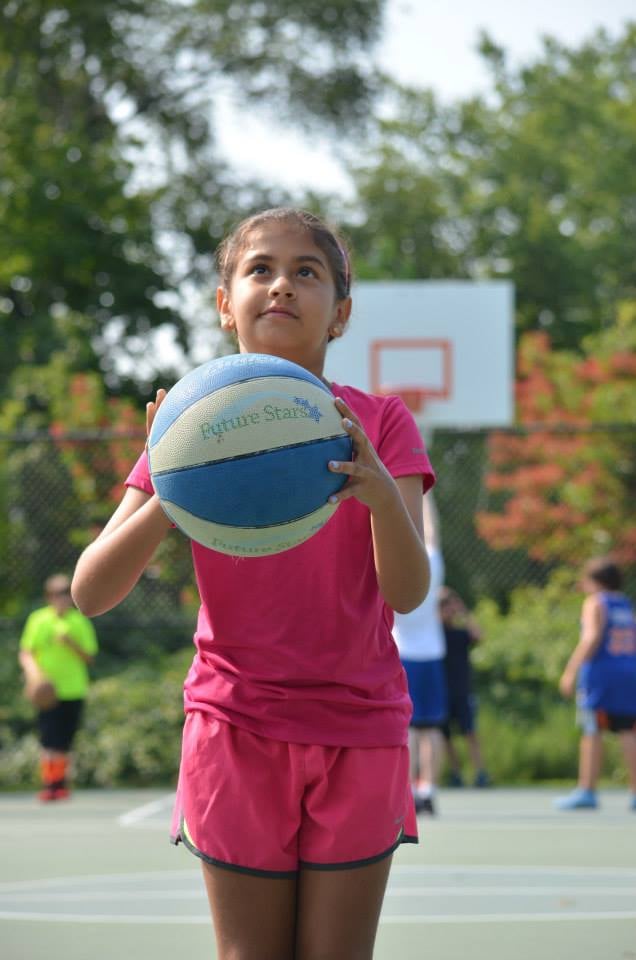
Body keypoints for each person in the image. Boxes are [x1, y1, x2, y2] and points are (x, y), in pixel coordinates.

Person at [71, 208, 435, 960]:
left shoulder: (380, 422)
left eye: (307, 272)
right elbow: (91, 591)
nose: (282, 285)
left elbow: (407, 592)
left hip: (358, 724)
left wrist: (378, 496)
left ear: (341, 312)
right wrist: (172, 486)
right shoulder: (187, 429)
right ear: (224, 303)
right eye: (260, 268)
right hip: (235, 723)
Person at [555, 556, 636, 811]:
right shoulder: (624, 603)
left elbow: (591, 637)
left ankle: (587, 790)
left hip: (602, 675)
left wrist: (570, 671)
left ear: (594, 580)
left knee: (592, 730)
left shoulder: (595, 602)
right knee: (628, 729)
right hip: (628, 670)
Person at [18, 573, 98, 802]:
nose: (62, 598)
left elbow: (90, 657)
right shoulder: (38, 620)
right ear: (48, 597)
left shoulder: (80, 621)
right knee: (48, 738)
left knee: (64, 739)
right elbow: (26, 652)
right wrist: (34, 676)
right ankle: (49, 783)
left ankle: (60, 783)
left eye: (65, 593)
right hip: (46, 692)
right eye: (57, 594)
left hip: (73, 689)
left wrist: (71, 643)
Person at [392, 493, 447, 815]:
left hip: (404, 654)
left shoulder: (394, 566)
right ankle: (429, 789)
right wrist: (425, 493)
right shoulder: (432, 563)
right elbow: (433, 530)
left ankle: (411, 789)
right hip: (432, 655)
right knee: (431, 727)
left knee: (410, 727)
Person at [438, 586, 490, 788]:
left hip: (462, 690)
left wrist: (463, 611)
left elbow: (479, 635)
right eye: (443, 606)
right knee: (445, 735)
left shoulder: (461, 634)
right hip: (442, 691)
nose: (447, 610)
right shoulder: (433, 634)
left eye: (449, 606)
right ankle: (456, 773)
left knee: (470, 732)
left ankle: (480, 772)